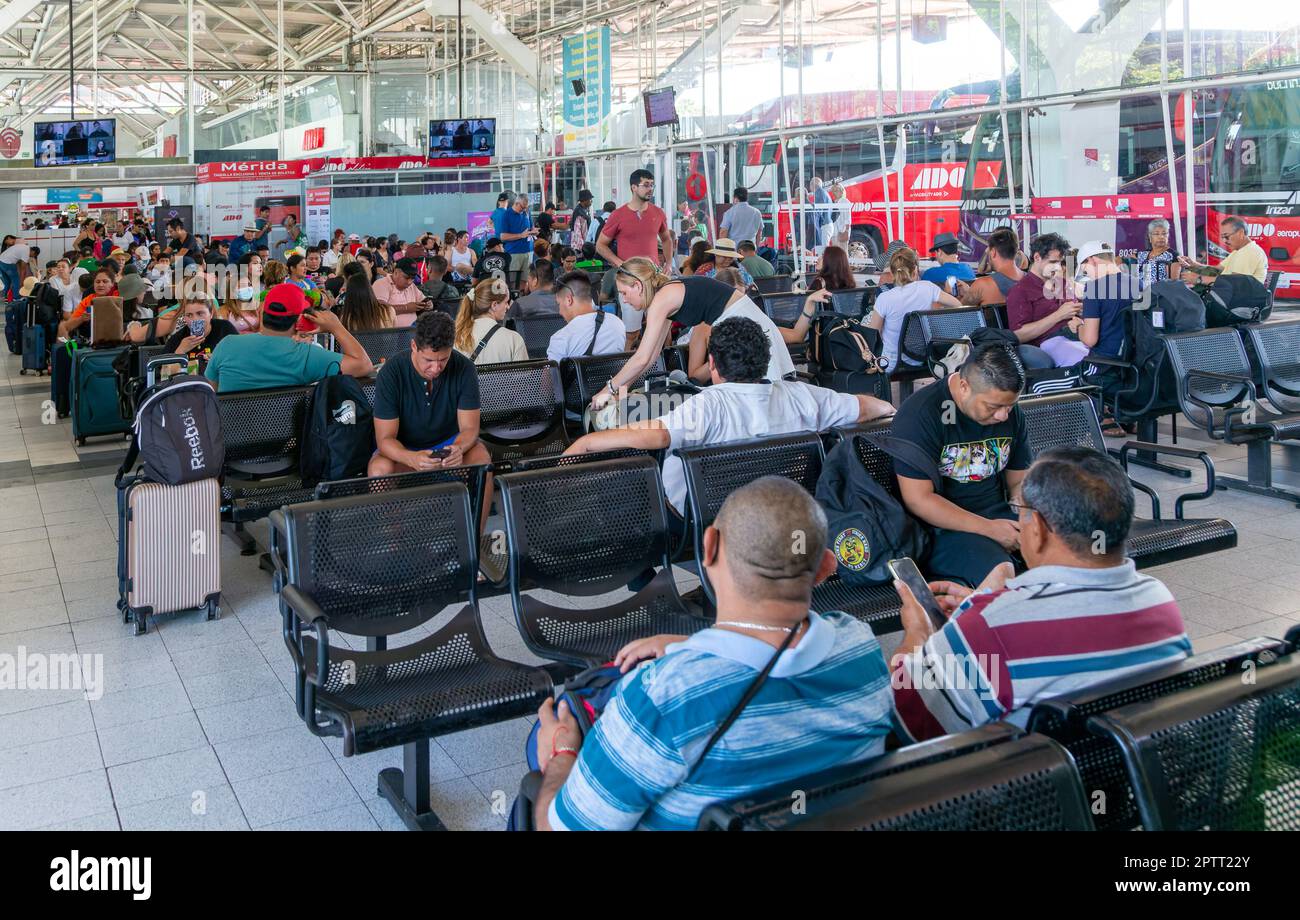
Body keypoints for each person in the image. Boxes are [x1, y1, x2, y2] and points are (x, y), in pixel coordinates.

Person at [529, 473, 897, 831]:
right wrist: (692, 647)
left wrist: (560, 754)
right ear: (826, 567)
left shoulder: (662, 696)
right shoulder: (860, 650)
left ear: (709, 546)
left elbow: (558, 827)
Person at [891, 446, 1191, 742]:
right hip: (1134, 782)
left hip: (1030, 788)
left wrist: (918, 634)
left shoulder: (992, 627)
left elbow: (906, 718)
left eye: (1020, 511)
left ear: (1037, 528)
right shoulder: (1159, 601)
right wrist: (988, 608)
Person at [567, 316, 893, 516]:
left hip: (704, 515)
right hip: (779, 504)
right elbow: (875, 407)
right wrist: (889, 408)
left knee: (630, 484)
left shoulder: (707, 405)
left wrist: (584, 443)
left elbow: (654, 436)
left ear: (713, 364)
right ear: (765, 361)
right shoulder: (803, 396)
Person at [891, 345, 1032, 588]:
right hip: (942, 530)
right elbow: (919, 500)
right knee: (1001, 574)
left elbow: (1018, 480)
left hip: (1000, 516)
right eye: (993, 407)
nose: (1003, 416)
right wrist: (989, 529)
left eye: (1009, 406)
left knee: (1069, 554)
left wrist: (1026, 510)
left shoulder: (1008, 412)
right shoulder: (921, 414)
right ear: (964, 387)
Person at [593, 259, 816, 400]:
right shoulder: (667, 294)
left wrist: (609, 389)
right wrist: (623, 391)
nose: (624, 299)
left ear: (638, 286)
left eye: (624, 293)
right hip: (746, 326)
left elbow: (642, 357)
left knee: (763, 399)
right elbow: (650, 356)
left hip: (744, 328)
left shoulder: (662, 299)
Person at [369, 310, 492, 479]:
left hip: (449, 444)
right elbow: (385, 439)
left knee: (481, 461)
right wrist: (411, 458)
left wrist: (458, 449)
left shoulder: (464, 368)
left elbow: (470, 428)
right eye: (428, 360)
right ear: (414, 346)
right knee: (379, 470)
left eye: (443, 360)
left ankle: (476, 506)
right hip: (405, 448)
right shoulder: (391, 373)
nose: (436, 369)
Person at [204, 282, 372, 393]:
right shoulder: (306, 355)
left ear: (262, 311)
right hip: (288, 444)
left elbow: (210, 393)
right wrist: (336, 326)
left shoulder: (227, 345)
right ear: (300, 320)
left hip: (229, 442)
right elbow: (364, 365)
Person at [866, 246, 962, 369]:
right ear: (915, 270)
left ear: (893, 273)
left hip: (889, 363)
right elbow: (958, 305)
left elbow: (873, 334)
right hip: (920, 358)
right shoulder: (928, 288)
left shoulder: (884, 298)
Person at [1005, 232, 1088, 368]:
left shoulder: (1063, 283)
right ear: (1037, 257)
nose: (1058, 267)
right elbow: (1018, 335)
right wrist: (1059, 315)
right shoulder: (1020, 291)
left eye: (1060, 262)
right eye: (1053, 262)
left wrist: (1081, 315)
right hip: (1049, 343)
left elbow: (1077, 312)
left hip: (1076, 337)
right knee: (1089, 361)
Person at [596, 169, 672, 271]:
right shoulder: (617, 215)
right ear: (634, 187)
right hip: (628, 276)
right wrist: (619, 263)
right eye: (645, 185)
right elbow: (600, 245)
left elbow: (666, 239)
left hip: (653, 275)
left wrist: (669, 264)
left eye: (652, 185)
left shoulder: (658, 213)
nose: (650, 189)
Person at [1075, 240, 1139, 360]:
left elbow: (1090, 340)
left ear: (1092, 260)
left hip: (1103, 365)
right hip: (1134, 363)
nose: (1088, 275)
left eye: (1085, 270)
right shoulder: (1139, 283)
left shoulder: (1093, 288)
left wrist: (1078, 326)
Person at [546, 271, 627, 362]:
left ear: (569, 300)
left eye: (559, 304)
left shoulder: (561, 338)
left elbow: (551, 375)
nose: (560, 312)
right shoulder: (617, 323)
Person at [454, 277, 528, 365]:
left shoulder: (458, 336)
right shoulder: (514, 339)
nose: (508, 307)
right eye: (506, 302)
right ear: (494, 305)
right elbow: (523, 377)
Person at [1179, 215, 1267, 284]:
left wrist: (1199, 280)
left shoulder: (1250, 252)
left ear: (1241, 233)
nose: (1224, 241)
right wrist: (1192, 265)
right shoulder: (1239, 251)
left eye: (1226, 236)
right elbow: (1216, 271)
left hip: (1238, 302)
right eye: (1222, 237)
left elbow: (1234, 283)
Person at [163, 296, 238, 372]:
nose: (195, 319)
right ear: (184, 318)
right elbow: (164, 372)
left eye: (200, 313)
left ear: (211, 314)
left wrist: (219, 360)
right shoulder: (178, 338)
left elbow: (240, 357)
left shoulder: (224, 328)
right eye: (189, 315)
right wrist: (180, 351)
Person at [960, 227, 1023, 308]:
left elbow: (960, 310)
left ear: (993, 252)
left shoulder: (982, 285)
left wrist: (957, 294)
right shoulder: (1032, 280)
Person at [372, 257, 427, 327]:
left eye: (412, 279)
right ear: (396, 272)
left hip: (412, 332)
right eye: (406, 278)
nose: (410, 282)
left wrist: (427, 305)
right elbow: (381, 310)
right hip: (391, 334)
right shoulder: (381, 283)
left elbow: (422, 300)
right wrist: (406, 308)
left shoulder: (412, 286)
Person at [498, 194, 538, 288]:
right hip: (514, 252)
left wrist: (534, 232)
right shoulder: (506, 215)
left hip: (528, 251)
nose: (524, 209)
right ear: (516, 203)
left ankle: (522, 299)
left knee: (525, 281)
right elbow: (503, 237)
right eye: (523, 207)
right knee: (513, 281)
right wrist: (520, 235)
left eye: (526, 207)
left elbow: (531, 228)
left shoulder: (527, 212)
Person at [1134, 218, 1180, 286]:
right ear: (1150, 237)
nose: (1161, 237)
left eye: (1164, 233)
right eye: (1156, 234)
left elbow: (1174, 283)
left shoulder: (1172, 255)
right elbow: (1122, 260)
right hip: (1140, 293)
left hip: (1159, 294)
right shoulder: (1142, 254)